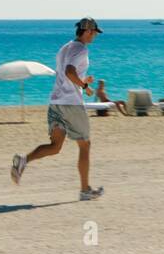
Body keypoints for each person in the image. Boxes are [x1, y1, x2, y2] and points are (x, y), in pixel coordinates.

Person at [11, 18, 105, 200]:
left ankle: (24, 160)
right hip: (71, 104)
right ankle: (85, 190)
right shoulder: (81, 49)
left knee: (55, 146)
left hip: (55, 101)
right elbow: (70, 72)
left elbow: (66, 75)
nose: (95, 36)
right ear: (87, 31)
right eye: (94, 32)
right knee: (85, 144)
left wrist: (83, 82)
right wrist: (84, 88)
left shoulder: (65, 48)